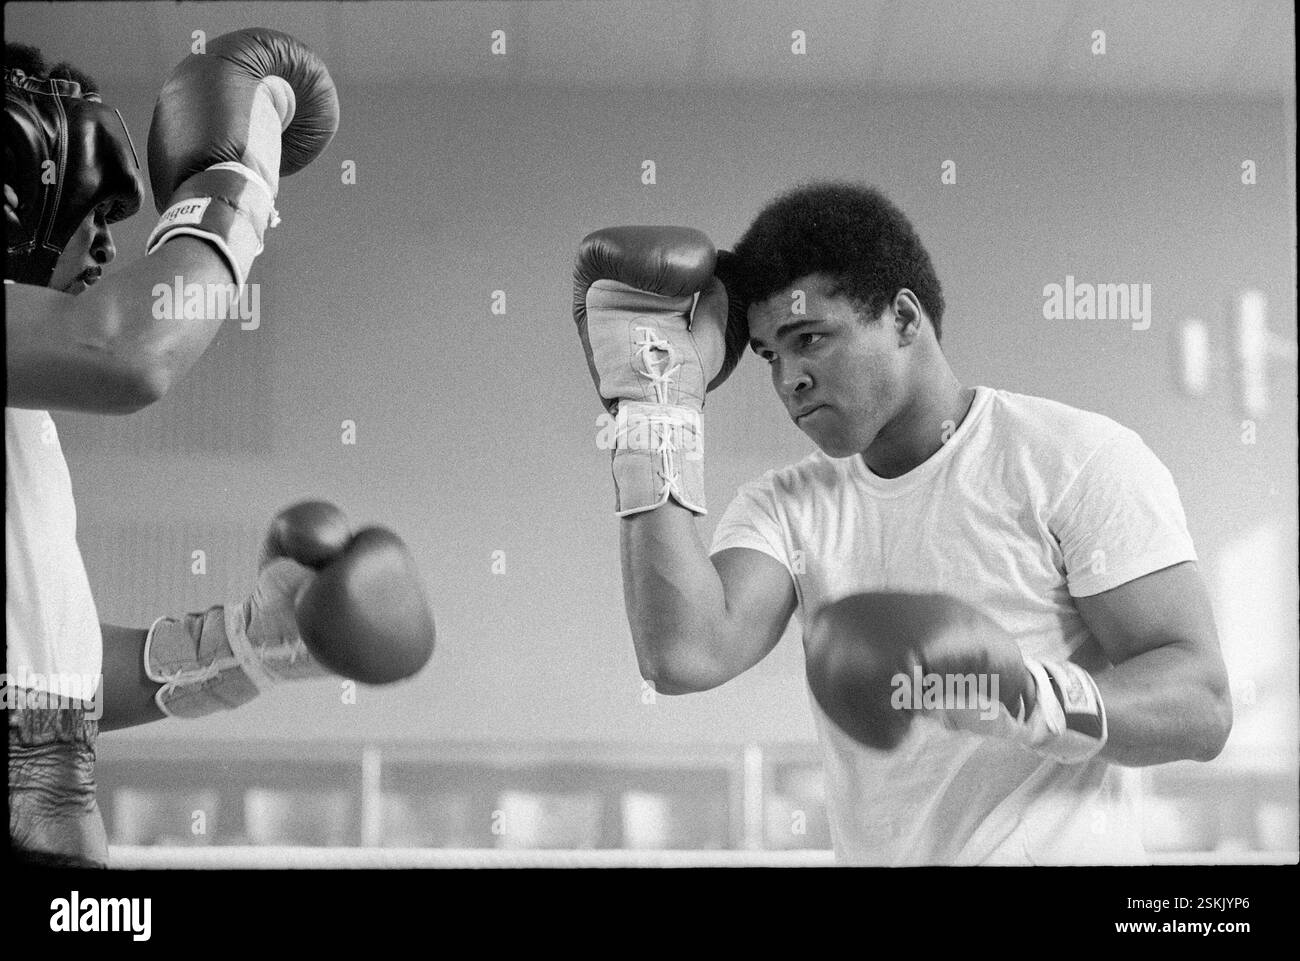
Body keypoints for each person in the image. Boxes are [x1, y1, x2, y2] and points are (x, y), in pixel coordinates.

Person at [572, 182, 1233, 865]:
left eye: (810, 338)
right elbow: (683, 655)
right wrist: (655, 410)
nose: (789, 379)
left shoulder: (1072, 458)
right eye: (770, 354)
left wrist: (1029, 694)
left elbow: (1202, 703)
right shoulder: (787, 505)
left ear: (904, 318)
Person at [5, 31, 432, 869]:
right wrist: (236, 182)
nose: (103, 247)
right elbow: (132, 350)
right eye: (83, 215)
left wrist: (247, 645)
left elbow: (48, 685)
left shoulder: (24, 424)